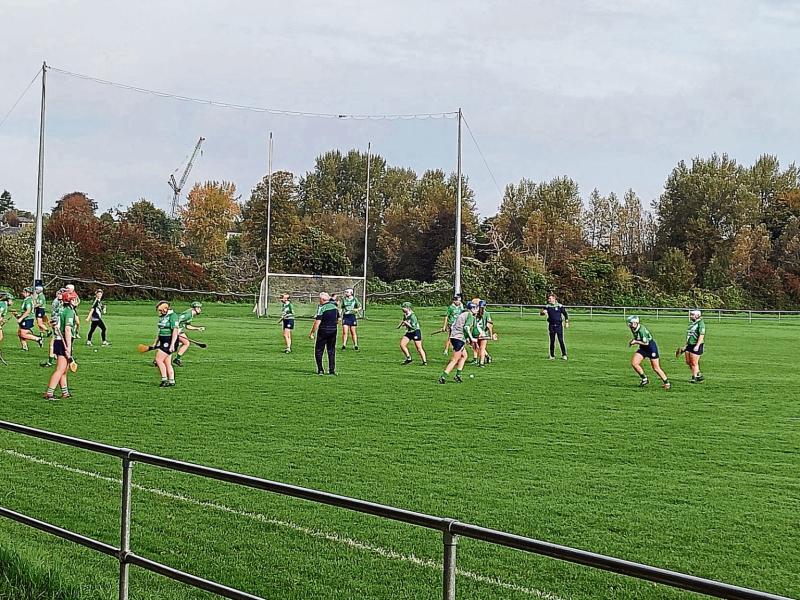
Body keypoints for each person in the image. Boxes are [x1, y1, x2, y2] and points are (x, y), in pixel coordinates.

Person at [44, 290, 77, 400]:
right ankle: (49, 393)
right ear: (70, 300)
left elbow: (53, 323)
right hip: (64, 341)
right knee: (60, 369)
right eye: (74, 298)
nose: (76, 300)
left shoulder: (61, 309)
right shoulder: (69, 312)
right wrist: (68, 347)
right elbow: (67, 330)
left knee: (64, 369)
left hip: (58, 340)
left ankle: (65, 392)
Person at [439, 301, 479, 384]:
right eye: (476, 308)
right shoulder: (470, 316)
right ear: (472, 309)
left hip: (454, 337)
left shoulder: (462, 314)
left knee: (464, 355)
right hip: (459, 339)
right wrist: (472, 338)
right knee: (455, 359)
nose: (477, 310)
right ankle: (443, 376)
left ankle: (458, 375)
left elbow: (456, 326)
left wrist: (467, 338)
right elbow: (466, 328)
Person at [626, 315, 671, 390]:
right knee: (634, 363)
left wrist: (635, 342)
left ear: (635, 323)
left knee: (656, 367)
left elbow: (646, 343)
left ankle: (667, 382)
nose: (629, 324)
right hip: (643, 348)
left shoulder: (641, 330)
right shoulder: (633, 328)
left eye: (630, 323)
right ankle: (644, 379)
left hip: (651, 348)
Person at [309, 292, 339, 375]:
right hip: (333, 330)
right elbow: (338, 319)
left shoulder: (322, 308)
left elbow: (317, 322)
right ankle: (332, 370)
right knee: (331, 350)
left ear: (322, 299)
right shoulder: (335, 307)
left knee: (319, 350)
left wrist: (312, 332)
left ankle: (320, 370)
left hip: (323, 330)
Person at [153, 301, 179, 387]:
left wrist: (172, 344)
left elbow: (175, 331)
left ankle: (164, 380)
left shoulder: (173, 316)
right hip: (163, 341)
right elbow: (159, 331)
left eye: (160, 310)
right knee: (167, 362)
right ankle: (171, 380)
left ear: (165, 309)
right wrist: (155, 343)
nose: (159, 312)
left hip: (169, 341)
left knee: (158, 359)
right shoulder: (164, 317)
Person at [173, 302, 204, 367]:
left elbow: (187, 326)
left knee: (180, 344)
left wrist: (197, 328)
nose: (200, 309)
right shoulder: (188, 314)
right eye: (199, 308)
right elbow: (177, 320)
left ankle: (160, 359)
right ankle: (176, 359)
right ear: (195, 308)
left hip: (179, 330)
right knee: (186, 343)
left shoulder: (191, 314)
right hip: (176, 330)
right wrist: (175, 330)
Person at [540, 293, 569, 360]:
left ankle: (564, 355)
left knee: (561, 340)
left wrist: (566, 322)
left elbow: (565, 314)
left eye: (550, 298)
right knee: (552, 341)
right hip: (551, 326)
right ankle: (552, 355)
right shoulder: (547, 306)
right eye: (548, 298)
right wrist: (543, 312)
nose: (549, 300)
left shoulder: (559, 306)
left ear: (554, 299)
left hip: (559, 326)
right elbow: (541, 313)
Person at [41, 288, 65, 368]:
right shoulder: (59, 302)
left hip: (59, 324)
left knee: (55, 342)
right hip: (59, 323)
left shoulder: (59, 301)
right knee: (58, 341)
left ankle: (52, 360)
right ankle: (57, 357)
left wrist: (53, 322)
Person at [17, 287, 44, 351]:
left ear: (28, 293)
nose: (22, 293)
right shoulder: (27, 299)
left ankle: (38, 339)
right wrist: (19, 315)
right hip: (26, 318)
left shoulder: (28, 300)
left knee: (23, 333)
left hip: (28, 319)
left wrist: (21, 318)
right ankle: (24, 347)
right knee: (19, 333)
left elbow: (28, 311)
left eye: (24, 292)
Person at [684, 309, 706, 383]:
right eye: (691, 314)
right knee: (688, 361)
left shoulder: (700, 323)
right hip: (689, 344)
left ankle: (695, 377)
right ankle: (698, 374)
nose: (691, 316)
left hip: (696, 345)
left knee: (694, 363)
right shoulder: (692, 323)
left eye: (692, 315)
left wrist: (697, 345)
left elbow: (701, 335)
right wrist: (686, 345)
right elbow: (689, 335)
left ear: (697, 315)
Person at [476, 300, 497, 366]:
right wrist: (491, 335)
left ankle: (482, 361)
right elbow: (489, 325)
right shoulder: (487, 314)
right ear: (485, 306)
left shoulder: (475, 313)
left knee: (480, 347)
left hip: (477, 332)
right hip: (483, 333)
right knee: (481, 347)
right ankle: (484, 359)